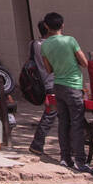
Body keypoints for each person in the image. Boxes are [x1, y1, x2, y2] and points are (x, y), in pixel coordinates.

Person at [40, 11, 93, 175]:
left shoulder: (44, 45)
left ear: (46, 26)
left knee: (63, 123)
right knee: (77, 124)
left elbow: (48, 69)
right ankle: (80, 161)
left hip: (58, 86)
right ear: (62, 25)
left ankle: (65, 157)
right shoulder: (70, 40)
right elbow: (84, 62)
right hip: (73, 86)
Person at [28, 19, 58, 157]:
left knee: (54, 114)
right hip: (54, 84)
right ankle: (37, 144)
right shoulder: (51, 46)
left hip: (45, 84)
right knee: (50, 115)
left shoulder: (34, 44)